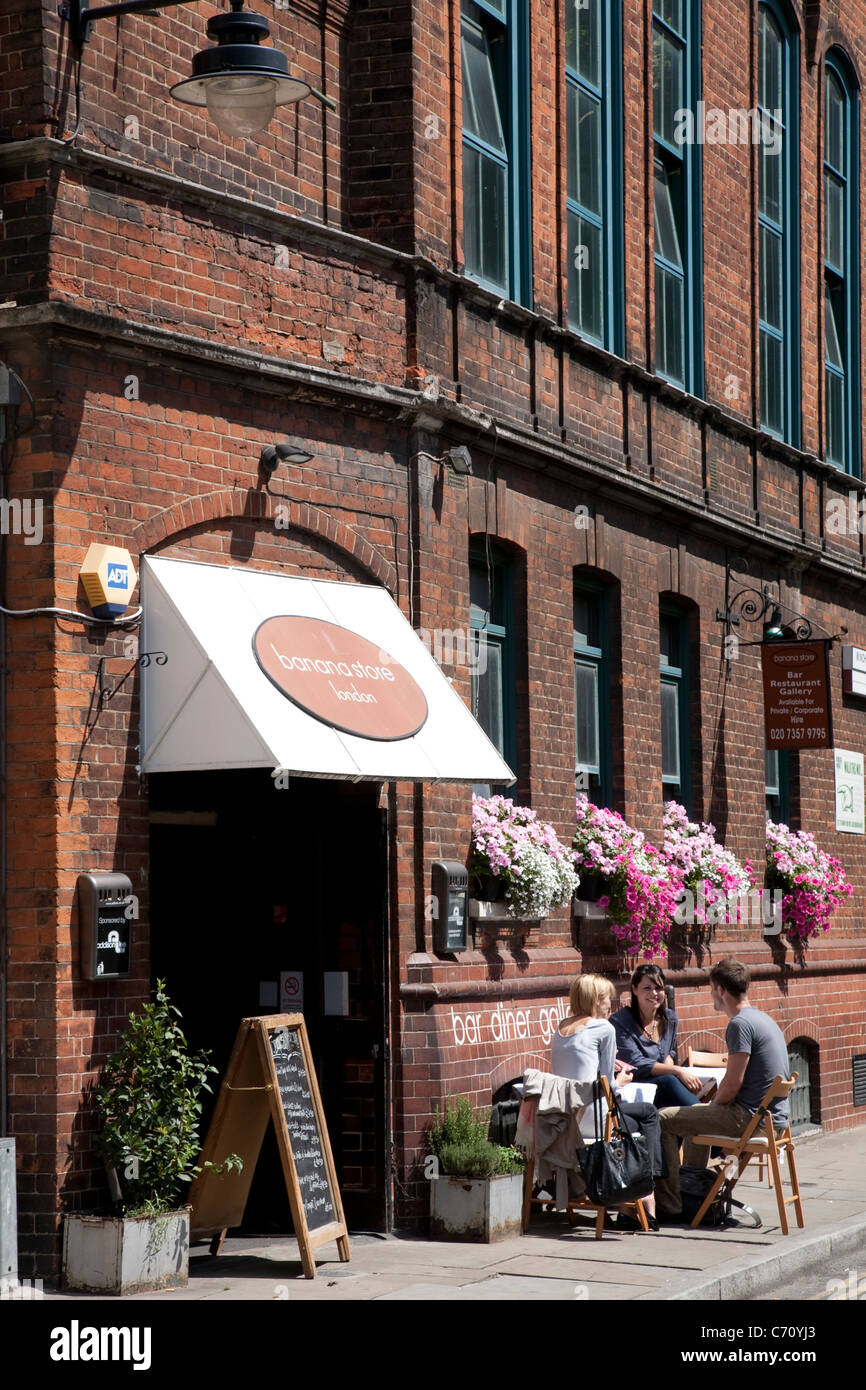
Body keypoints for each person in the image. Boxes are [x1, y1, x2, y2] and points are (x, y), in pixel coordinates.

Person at [654, 957, 792, 1219]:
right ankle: (692, 1195)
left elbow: (732, 1085)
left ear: (720, 990)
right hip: (774, 1120)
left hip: (751, 1119)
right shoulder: (763, 1019)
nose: (711, 996)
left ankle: (670, 1205)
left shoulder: (739, 1024)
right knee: (694, 1119)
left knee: (663, 1119)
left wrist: (713, 1105)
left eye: (711, 990)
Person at [551, 972, 663, 1228]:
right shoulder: (603, 1028)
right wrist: (622, 1080)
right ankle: (647, 1190)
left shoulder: (561, 1028)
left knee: (639, 1117)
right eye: (607, 999)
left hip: (564, 1122)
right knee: (648, 1113)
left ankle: (638, 1194)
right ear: (595, 999)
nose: (611, 1004)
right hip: (596, 1121)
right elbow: (607, 1086)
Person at [611, 962, 703, 1108]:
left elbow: (669, 1052)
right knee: (670, 1080)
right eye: (647, 988)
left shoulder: (670, 1018)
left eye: (658, 988)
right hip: (637, 1086)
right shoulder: (620, 1021)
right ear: (634, 990)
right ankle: (705, 1117)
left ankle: (703, 1118)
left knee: (697, 1082)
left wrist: (672, 1067)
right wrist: (677, 1071)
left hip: (665, 1083)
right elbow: (636, 1063)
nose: (654, 993)